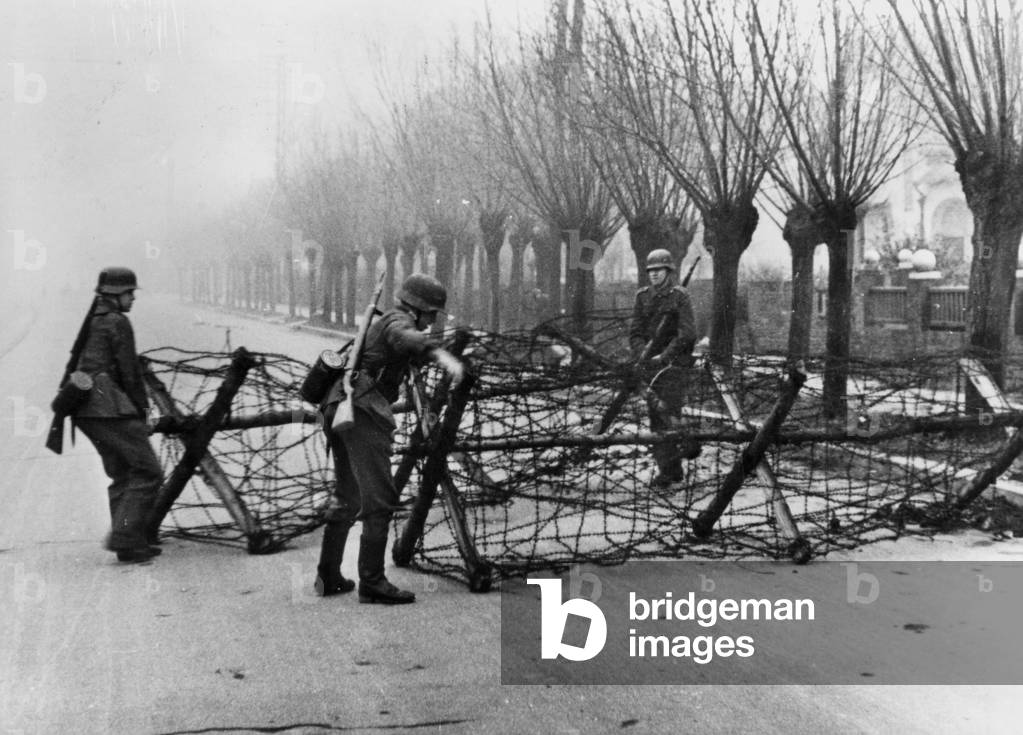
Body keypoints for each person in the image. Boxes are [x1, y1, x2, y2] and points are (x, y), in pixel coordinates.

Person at [315, 273, 464, 605]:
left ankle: (328, 575)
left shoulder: (389, 320)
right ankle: (372, 581)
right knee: (380, 500)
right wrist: (447, 359)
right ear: (418, 308)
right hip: (361, 413)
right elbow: (408, 338)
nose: (431, 322)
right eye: (431, 315)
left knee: (349, 495)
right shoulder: (397, 321)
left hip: (341, 407)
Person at [71, 267, 164, 563]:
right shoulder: (117, 321)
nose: (133, 298)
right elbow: (129, 374)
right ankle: (124, 537)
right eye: (129, 293)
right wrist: (143, 410)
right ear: (115, 294)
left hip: (86, 409)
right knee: (149, 471)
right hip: (108, 407)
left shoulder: (95, 319)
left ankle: (129, 542)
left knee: (122, 473)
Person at [629, 249, 700, 488]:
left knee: (669, 413)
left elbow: (688, 334)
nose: (654, 275)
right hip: (650, 365)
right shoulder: (642, 297)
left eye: (659, 270)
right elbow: (636, 332)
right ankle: (668, 468)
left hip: (673, 365)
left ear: (669, 271)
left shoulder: (680, 296)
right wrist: (644, 354)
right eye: (651, 271)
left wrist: (664, 356)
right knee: (655, 418)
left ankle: (670, 469)